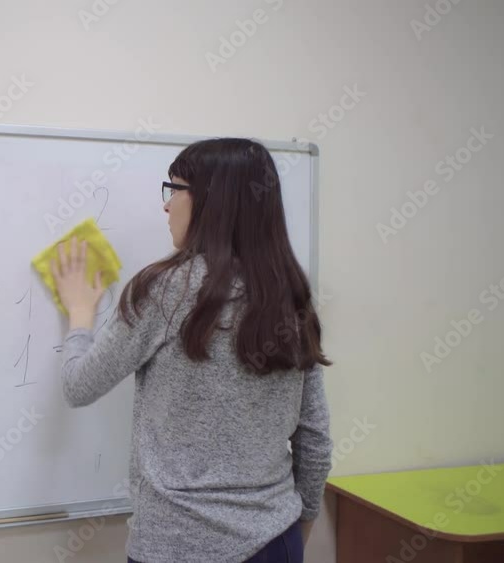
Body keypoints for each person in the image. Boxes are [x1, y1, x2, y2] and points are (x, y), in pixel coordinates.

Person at [51, 138, 333, 563]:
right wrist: (296, 532)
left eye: (174, 188)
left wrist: (78, 313)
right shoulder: (290, 297)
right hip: (276, 540)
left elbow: (79, 386)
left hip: (176, 547)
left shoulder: (165, 290)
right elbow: (314, 438)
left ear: (209, 202)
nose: (166, 206)